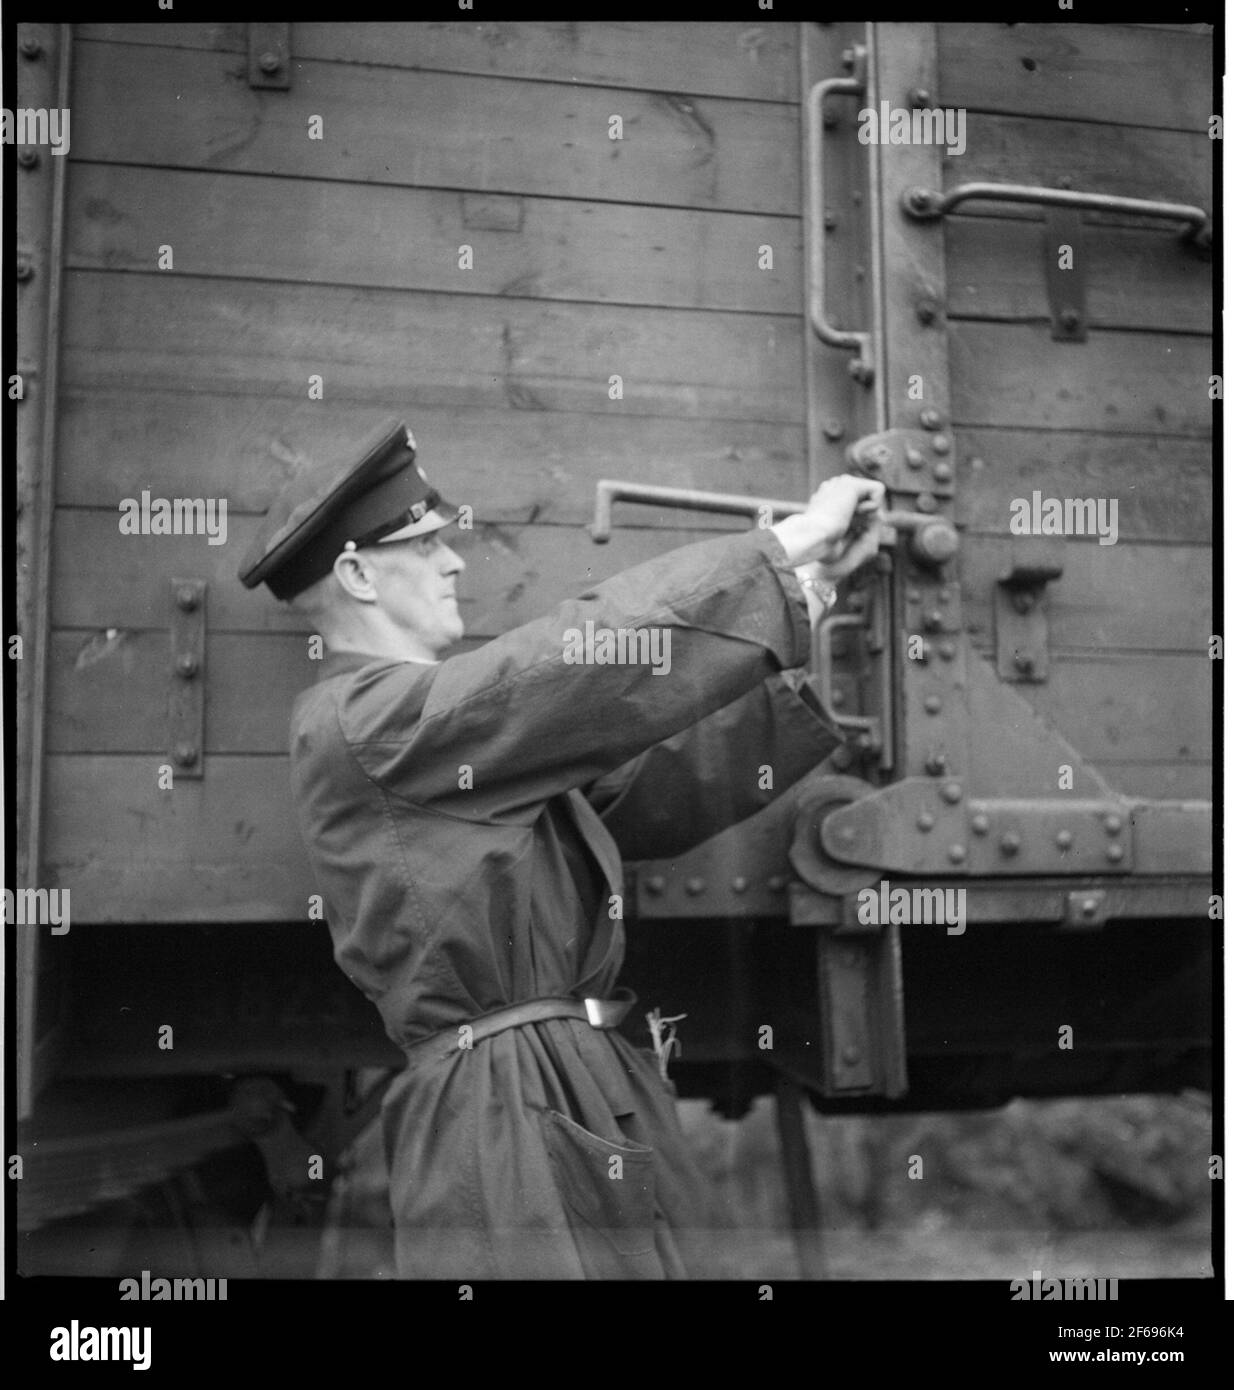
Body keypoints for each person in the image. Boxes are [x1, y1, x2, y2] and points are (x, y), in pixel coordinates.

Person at [239, 417, 885, 1278]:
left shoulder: (445, 738)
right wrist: (784, 544)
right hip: (503, 1106)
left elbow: (652, 794)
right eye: (426, 546)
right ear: (356, 572)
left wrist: (807, 595)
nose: (455, 562)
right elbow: (573, 667)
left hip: (561, 1084)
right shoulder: (360, 722)